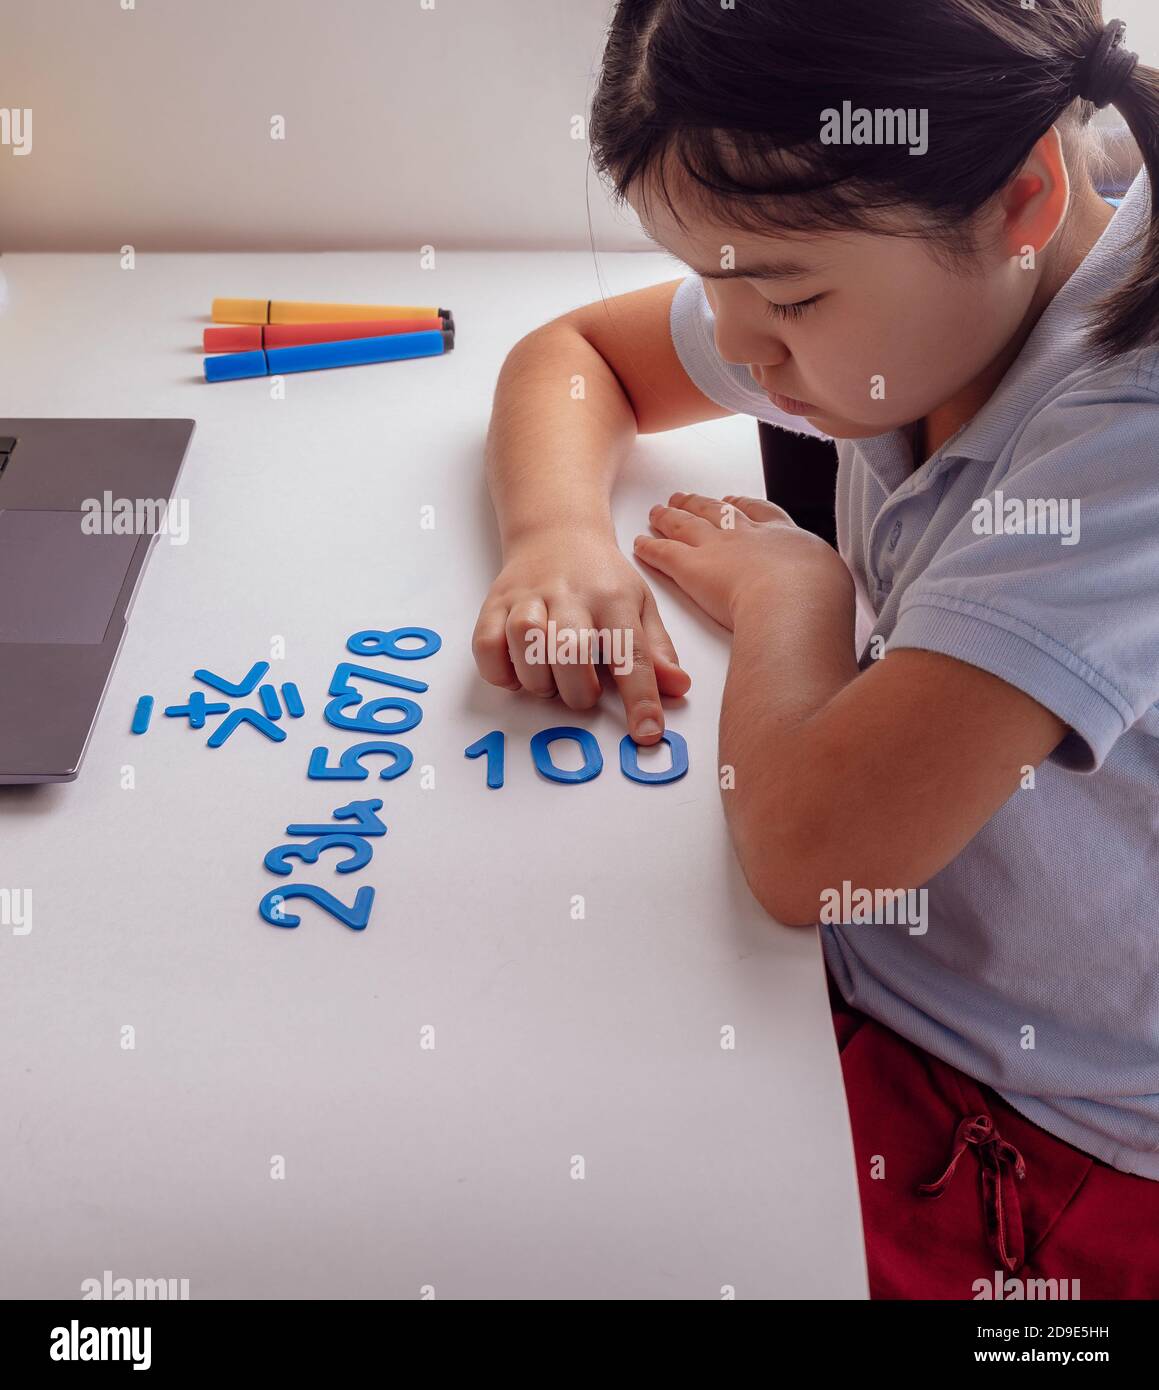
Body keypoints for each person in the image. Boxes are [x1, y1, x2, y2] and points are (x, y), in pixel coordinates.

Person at [473, 2, 1159, 1297]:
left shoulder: (1124, 444)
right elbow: (575, 357)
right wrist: (557, 534)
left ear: (1023, 202)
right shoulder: (925, 280)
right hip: (875, 963)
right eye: (713, 279)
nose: (735, 346)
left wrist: (799, 591)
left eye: (782, 296)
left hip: (1041, 1133)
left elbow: (813, 852)